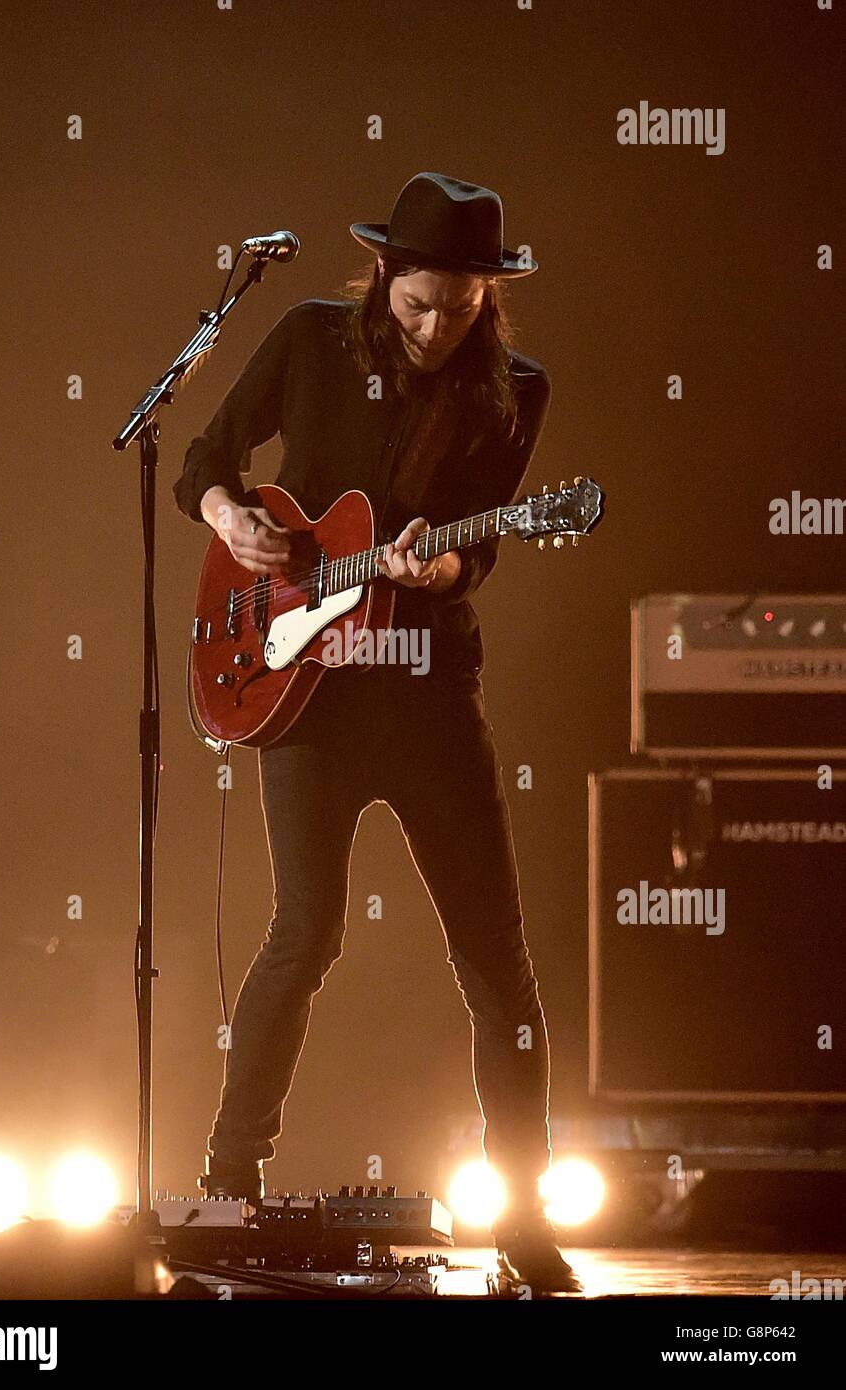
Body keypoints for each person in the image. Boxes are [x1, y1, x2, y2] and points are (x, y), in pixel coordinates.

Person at [173, 172, 581, 1293]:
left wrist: (442, 562)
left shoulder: (512, 391)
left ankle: (528, 1219)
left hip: (427, 689)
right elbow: (205, 457)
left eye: (460, 306)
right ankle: (228, 1177)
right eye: (418, 303)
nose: (438, 326)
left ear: (487, 296)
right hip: (302, 688)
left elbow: (485, 544)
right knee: (303, 934)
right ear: (384, 277)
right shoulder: (308, 338)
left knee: (496, 962)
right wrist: (233, 521)